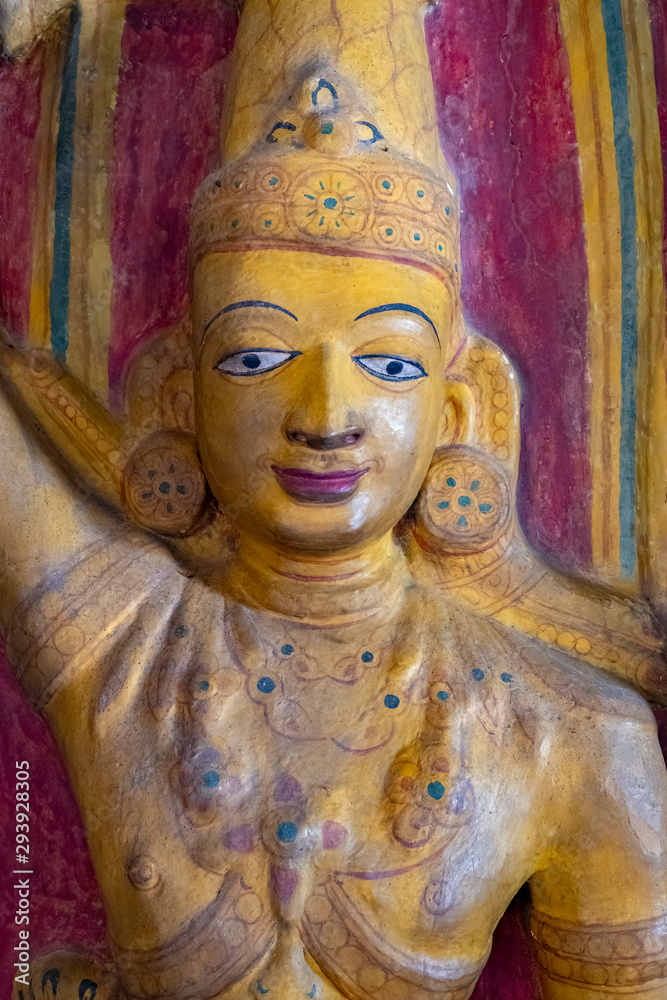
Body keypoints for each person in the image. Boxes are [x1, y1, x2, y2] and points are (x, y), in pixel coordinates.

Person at [2, 1, 667, 998]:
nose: (324, 414)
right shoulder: (120, 653)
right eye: (259, 355)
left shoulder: (571, 735)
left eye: (387, 362)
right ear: (183, 389)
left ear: (453, 407)